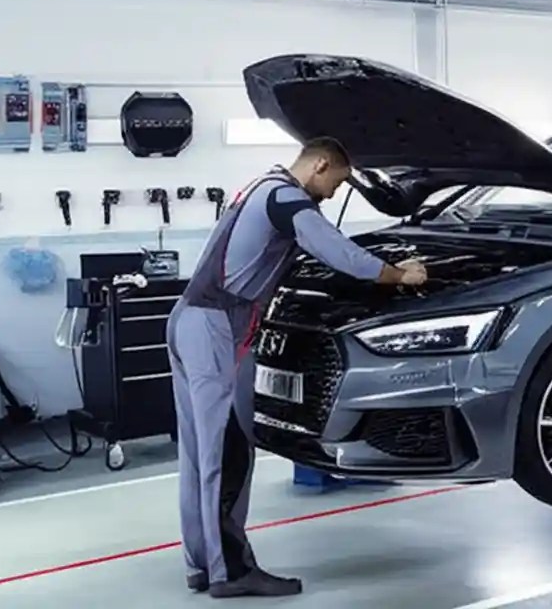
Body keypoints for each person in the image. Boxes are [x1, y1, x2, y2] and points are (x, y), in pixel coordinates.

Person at [165, 137, 426, 598]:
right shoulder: (287, 196)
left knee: (198, 454)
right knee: (227, 450)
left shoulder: (259, 187)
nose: (330, 194)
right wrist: (397, 274)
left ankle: (202, 565)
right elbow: (335, 250)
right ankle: (233, 573)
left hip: (189, 319)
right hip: (214, 329)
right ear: (320, 164)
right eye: (335, 182)